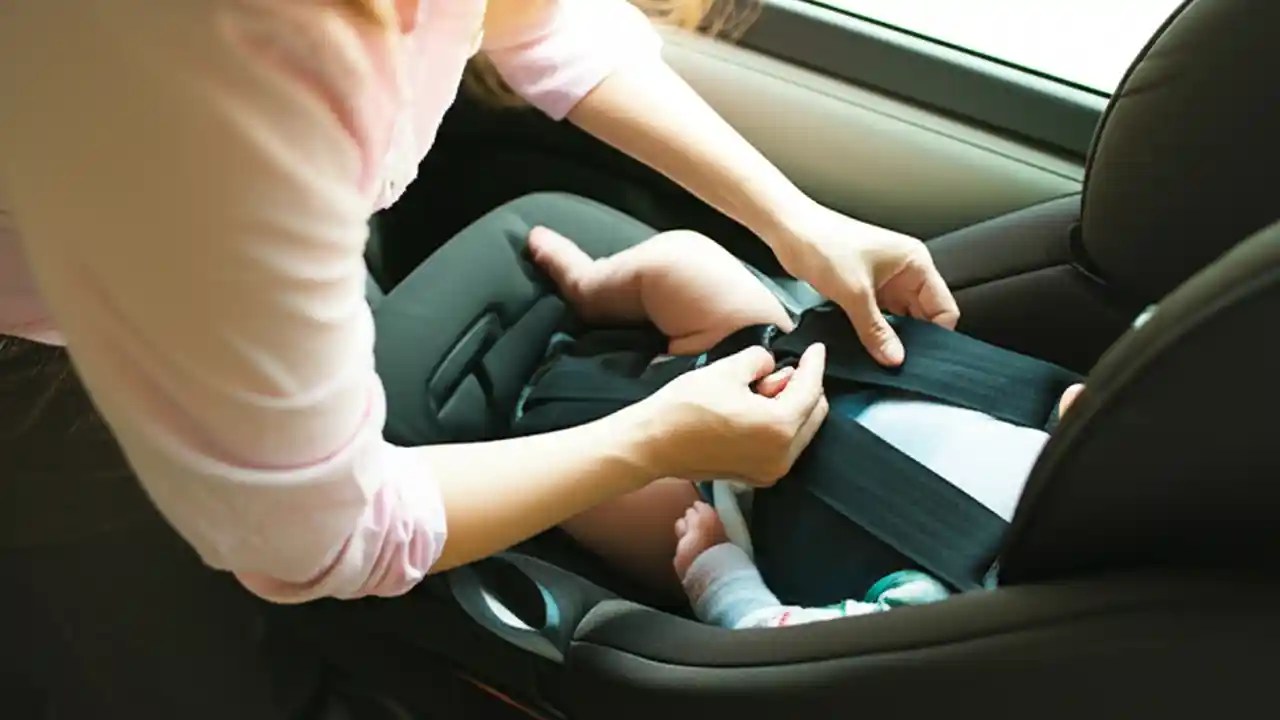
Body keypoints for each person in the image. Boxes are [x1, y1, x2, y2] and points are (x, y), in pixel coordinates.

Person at [0, 1, 958, 713]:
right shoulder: (198, 78)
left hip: (218, 243)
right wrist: (657, 440)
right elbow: (318, 536)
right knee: (164, 668)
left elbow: (539, 22)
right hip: (46, 380)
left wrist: (798, 220)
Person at [525, 225, 1086, 624]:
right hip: (780, 361)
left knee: (571, 476)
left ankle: (518, 433)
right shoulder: (1077, 422)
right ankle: (591, 285)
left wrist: (715, 569)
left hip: (727, 503)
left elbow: (783, 636)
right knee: (684, 261)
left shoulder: (940, 601)